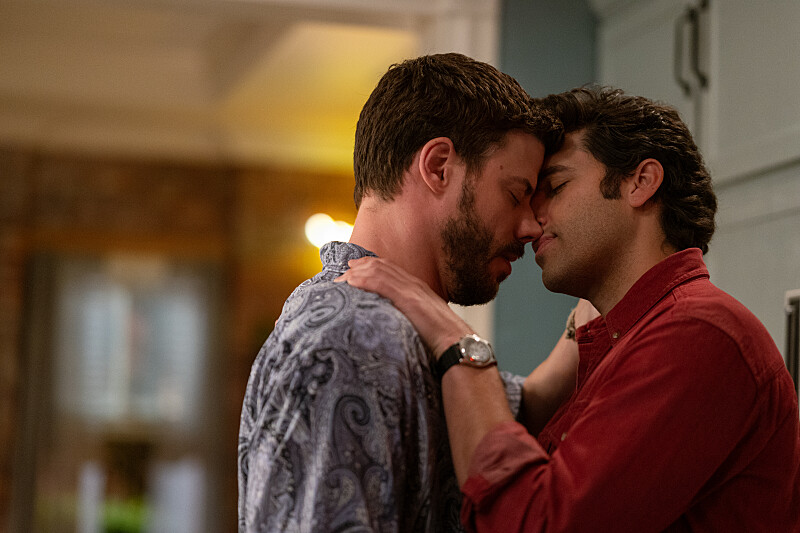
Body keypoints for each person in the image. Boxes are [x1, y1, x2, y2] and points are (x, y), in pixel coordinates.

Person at [338, 86, 800, 531]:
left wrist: (456, 339)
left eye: (554, 187)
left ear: (640, 182)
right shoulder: (636, 336)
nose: (530, 220)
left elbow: (538, 523)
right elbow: (521, 415)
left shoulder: (699, 333)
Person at [237, 52, 563, 532]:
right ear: (439, 167)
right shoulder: (356, 337)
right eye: (516, 194)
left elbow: (520, 407)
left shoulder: (396, 330)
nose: (531, 226)